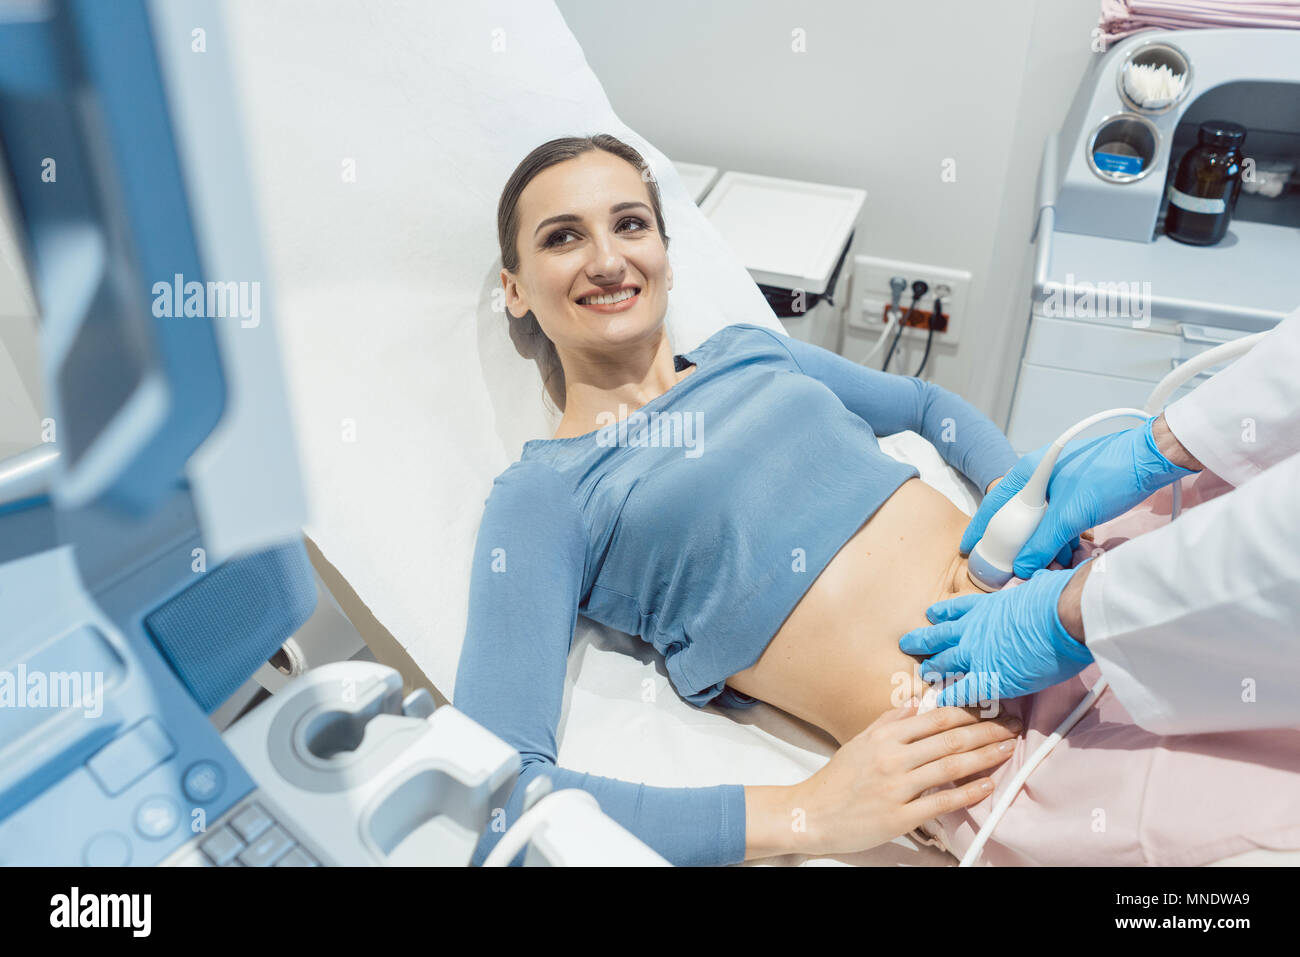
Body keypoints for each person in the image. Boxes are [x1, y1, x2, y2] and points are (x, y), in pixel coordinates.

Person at [455, 133, 1027, 866]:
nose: (606, 259)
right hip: (994, 739)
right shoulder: (549, 493)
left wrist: (1018, 497)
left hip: (1062, 595)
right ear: (515, 288)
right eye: (563, 237)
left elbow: (924, 403)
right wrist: (806, 812)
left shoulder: (754, 349)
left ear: (665, 248)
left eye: (630, 224)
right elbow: (500, 792)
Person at [901, 307, 1300, 736]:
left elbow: (925, 403)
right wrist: (1166, 442)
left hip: (1149, 605)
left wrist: (1073, 608)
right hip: (1125, 617)